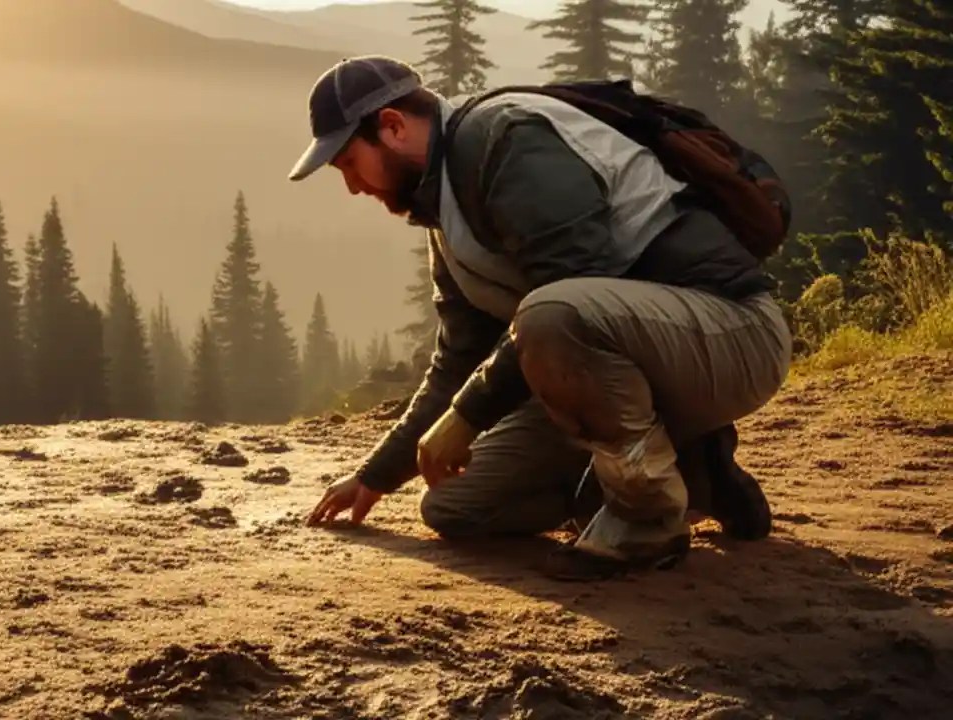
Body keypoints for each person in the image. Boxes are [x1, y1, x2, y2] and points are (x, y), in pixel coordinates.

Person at [290, 55, 792, 581]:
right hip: (616, 365)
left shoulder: (505, 139)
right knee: (455, 507)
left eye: (348, 162)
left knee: (553, 312)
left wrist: (467, 415)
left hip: (733, 337)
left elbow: (576, 290)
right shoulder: (445, 210)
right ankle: (691, 474)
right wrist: (374, 476)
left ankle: (646, 521)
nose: (351, 186)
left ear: (391, 127)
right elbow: (458, 361)